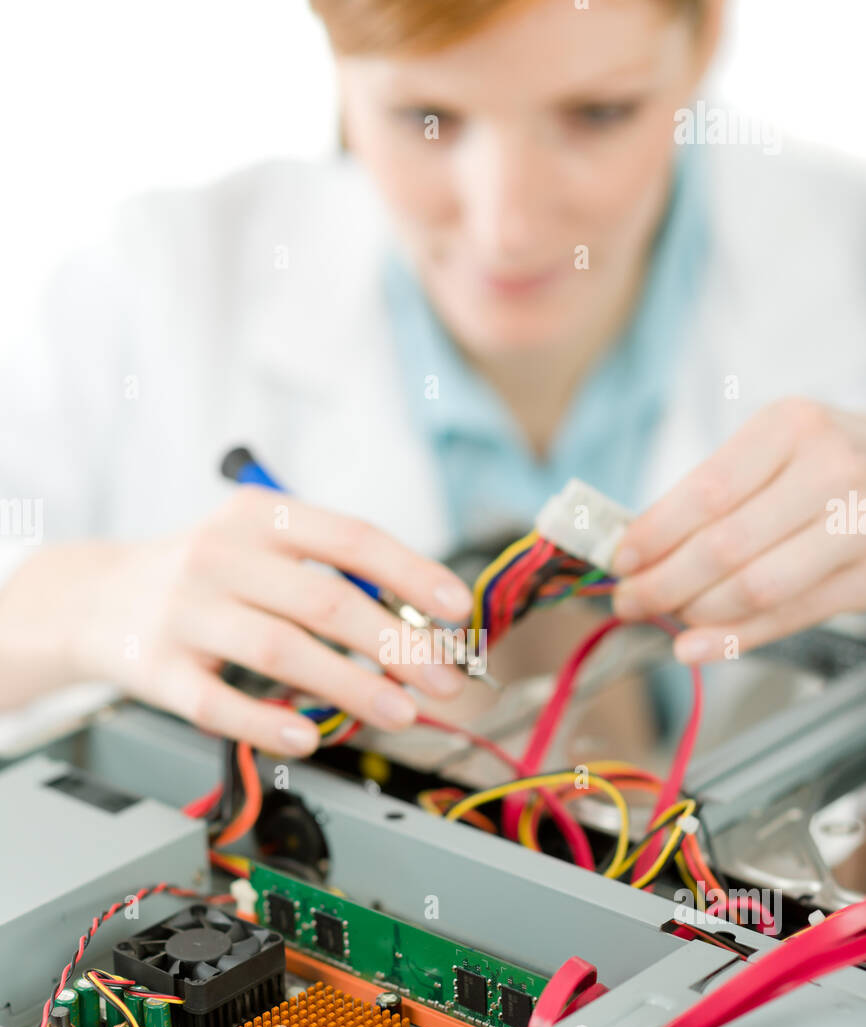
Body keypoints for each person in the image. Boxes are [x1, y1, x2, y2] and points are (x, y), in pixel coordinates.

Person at [1, 0, 864, 756]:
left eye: (597, 114)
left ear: (707, 32)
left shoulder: (844, 247)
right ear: (335, 57)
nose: (507, 227)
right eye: (427, 118)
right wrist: (71, 605)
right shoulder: (147, 283)